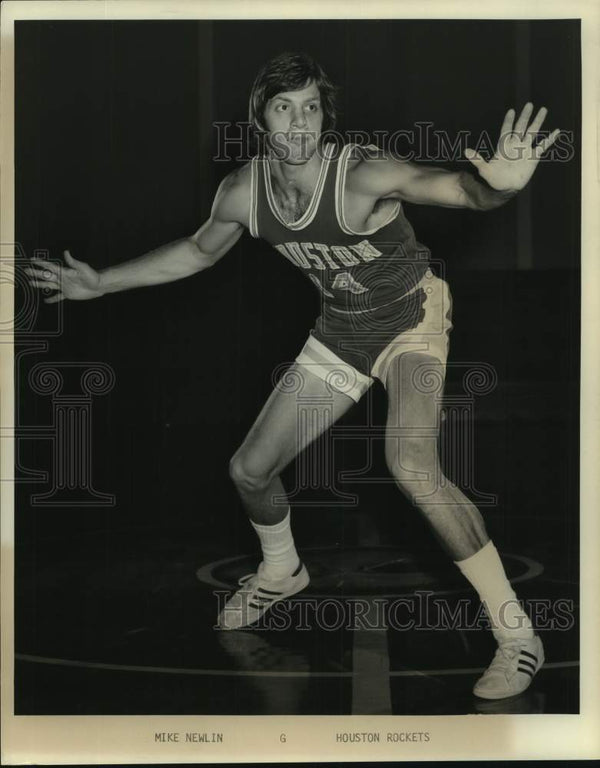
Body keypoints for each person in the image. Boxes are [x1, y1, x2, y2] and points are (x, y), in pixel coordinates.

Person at [26, 52, 559, 700]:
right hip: (341, 331)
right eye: (285, 108)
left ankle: (517, 635)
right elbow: (197, 251)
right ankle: (281, 571)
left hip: (411, 319)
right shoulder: (244, 193)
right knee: (250, 470)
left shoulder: (362, 174)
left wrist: (501, 187)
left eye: (311, 108)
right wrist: (103, 282)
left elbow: (459, 190)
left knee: (412, 466)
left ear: (325, 117)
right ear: (261, 120)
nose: (300, 122)